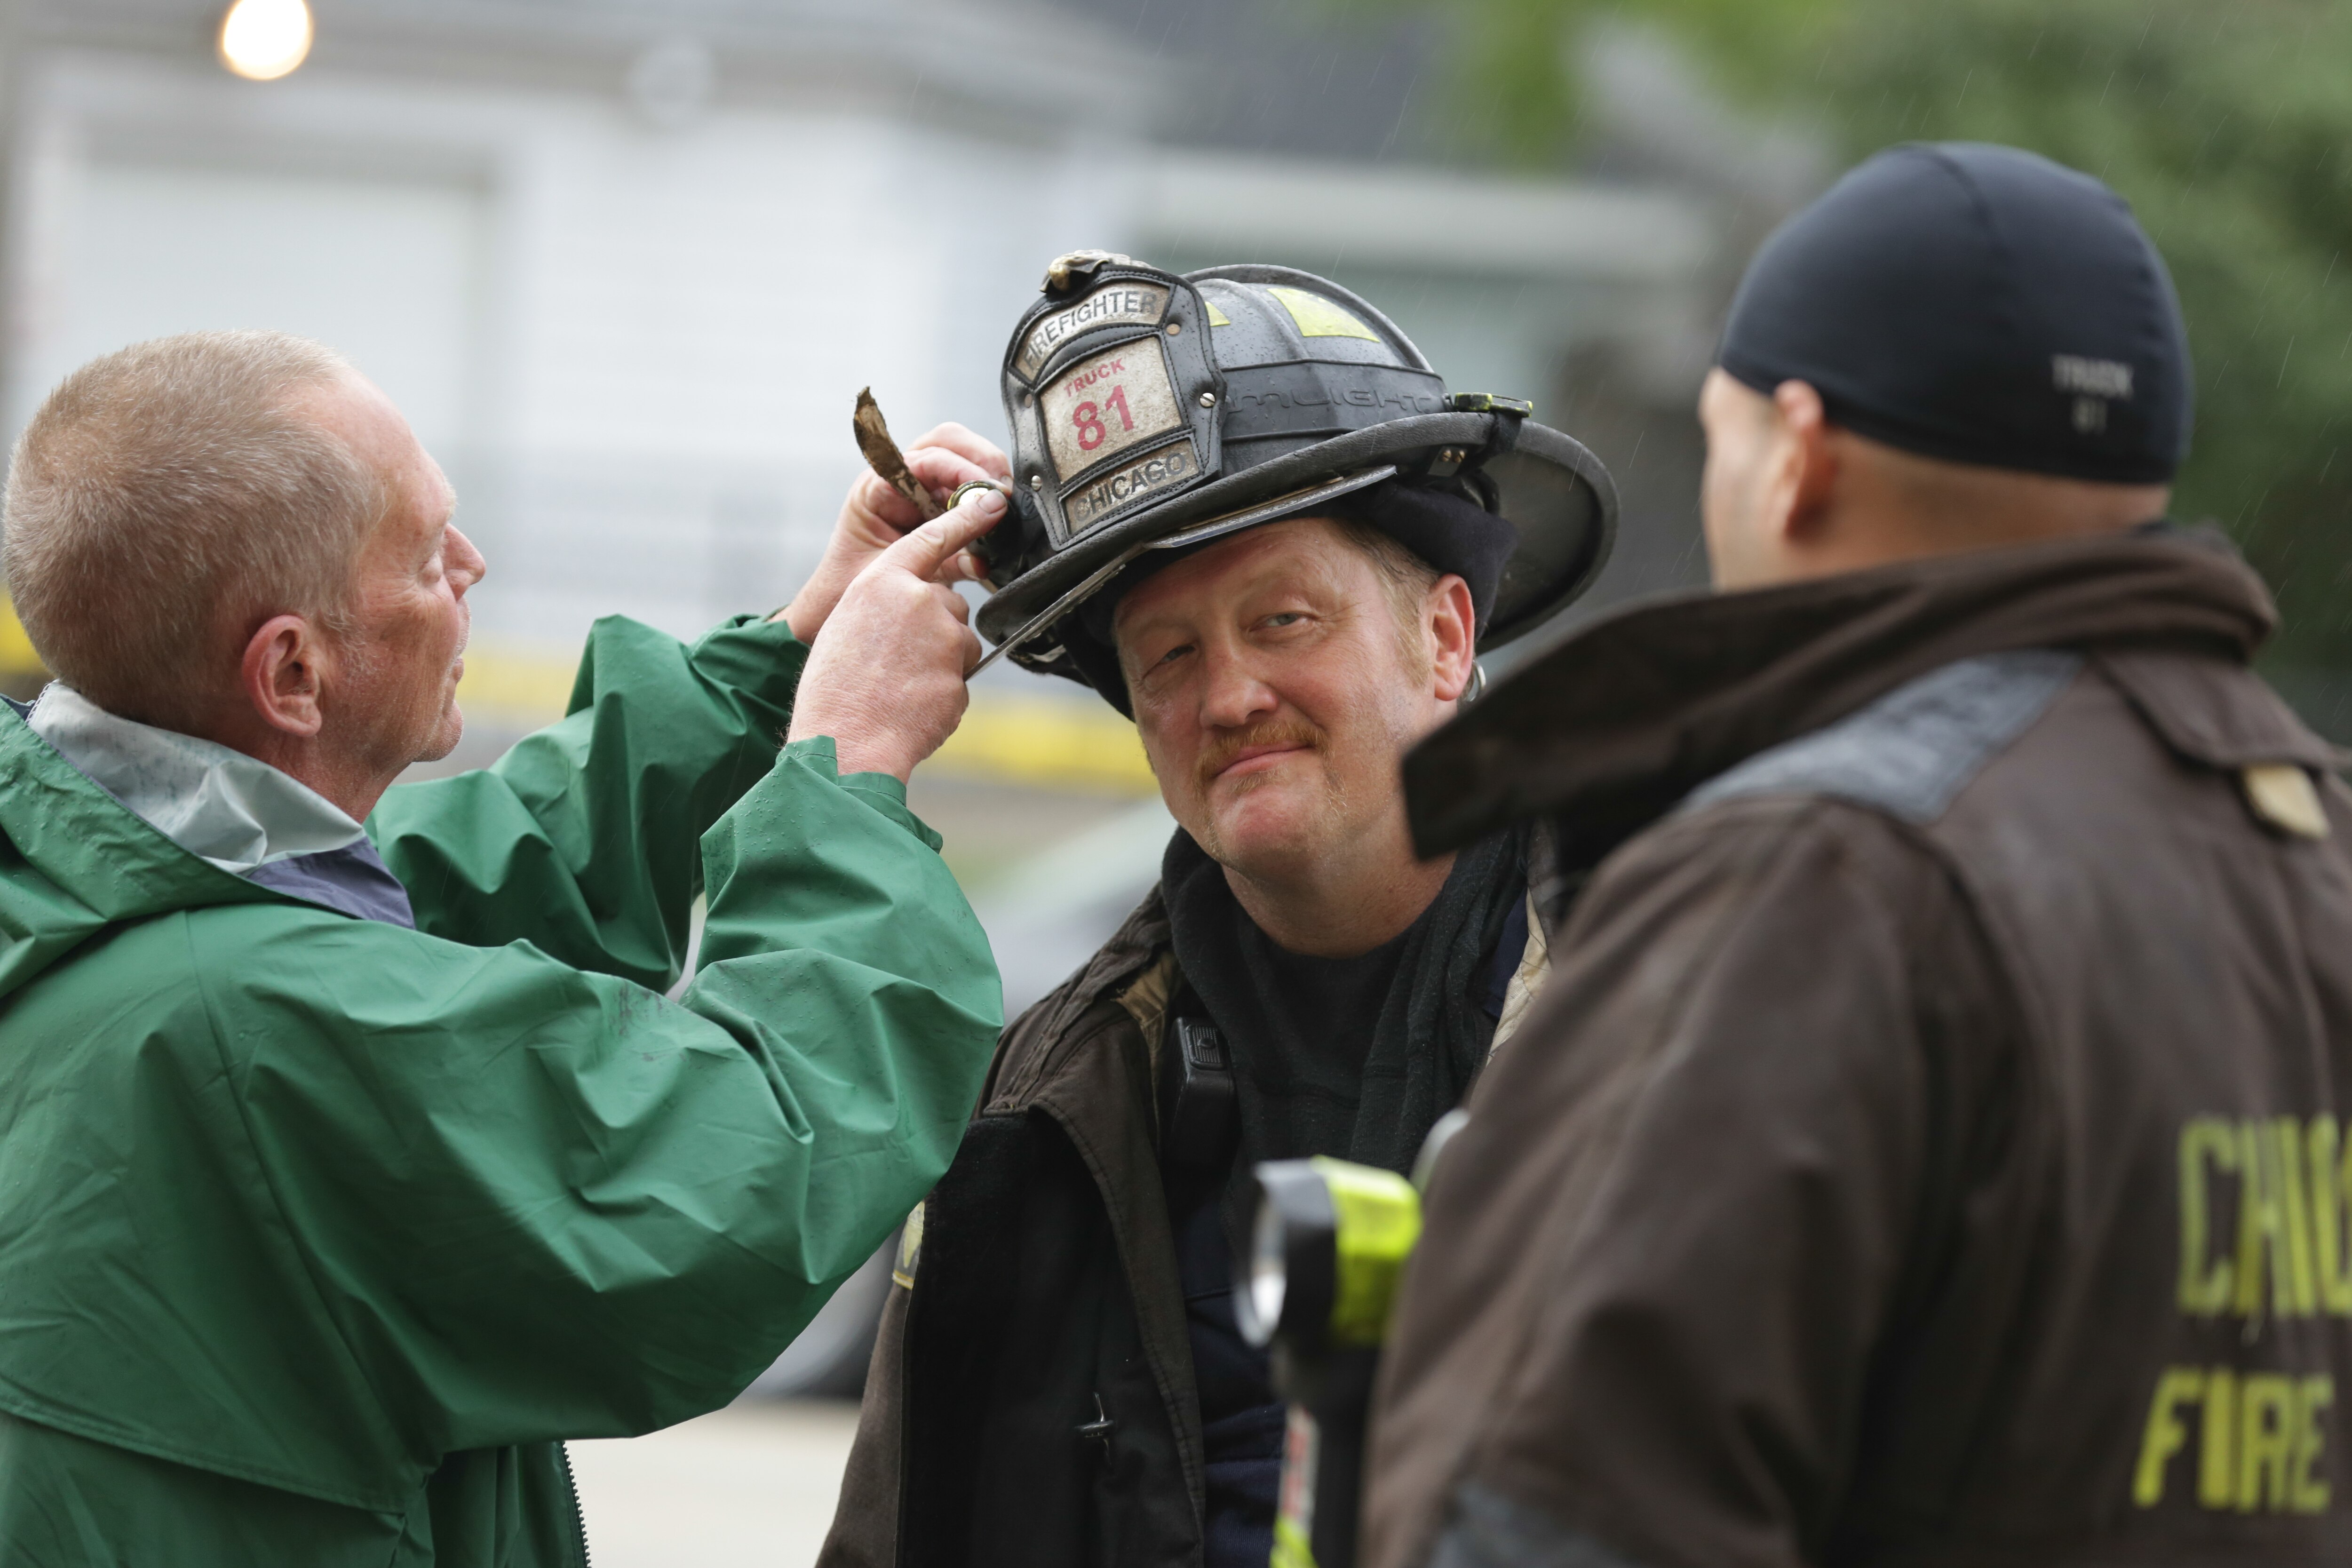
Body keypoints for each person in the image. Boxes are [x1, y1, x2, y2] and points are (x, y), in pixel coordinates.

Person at [1367, 143, 2352, 1568]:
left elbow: (1553, 1516)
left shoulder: (1819, 877)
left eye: (1721, 436)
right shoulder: (2315, 853)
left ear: (1800, 455)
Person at [0, 329, 1010, 1567]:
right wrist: (850, 764)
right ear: (294, 672)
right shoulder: (257, 1029)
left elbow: (452, 883)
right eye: (428, 556)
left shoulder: (82, 882)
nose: (474, 564)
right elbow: (747, 1163)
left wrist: (797, 648)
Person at [818, 255, 1618, 1568]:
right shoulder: (1044, 1108)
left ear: (1445, 639)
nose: (1231, 696)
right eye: (1170, 657)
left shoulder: (1671, 1013)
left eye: (1285, 619)